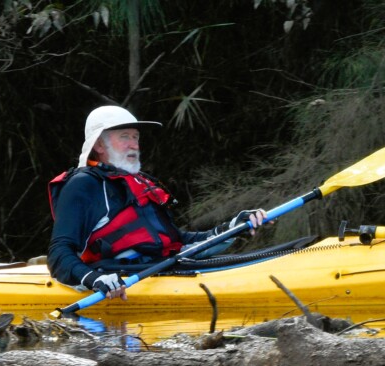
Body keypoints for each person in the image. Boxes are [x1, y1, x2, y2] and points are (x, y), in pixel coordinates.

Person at [47, 105, 265, 301]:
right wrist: (94, 279)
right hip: (120, 281)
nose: (134, 145)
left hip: (163, 269)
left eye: (136, 137)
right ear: (99, 145)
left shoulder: (138, 183)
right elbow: (59, 254)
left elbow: (180, 243)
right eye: (125, 137)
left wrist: (233, 227)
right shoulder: (83, 185)